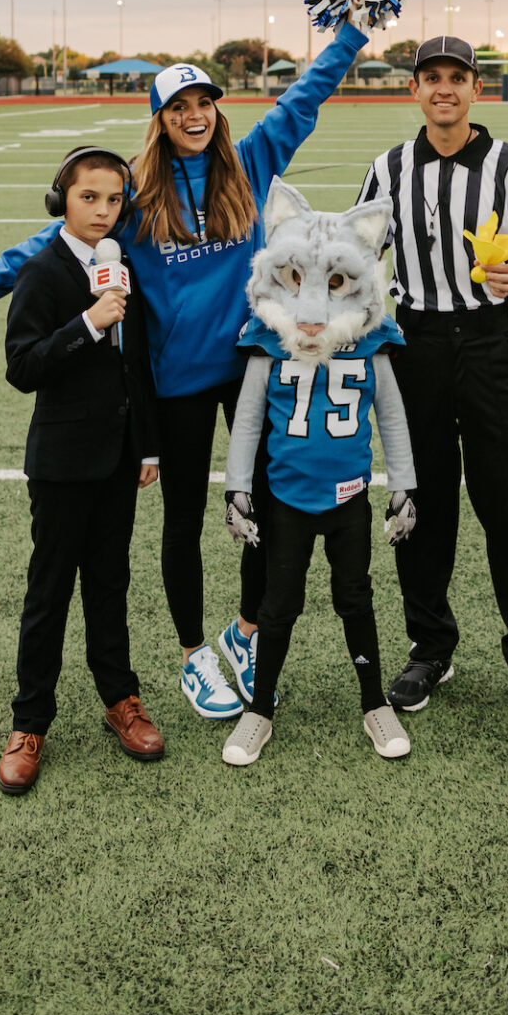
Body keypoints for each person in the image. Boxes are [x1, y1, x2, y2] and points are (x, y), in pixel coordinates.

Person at [0, 18, 369, 720]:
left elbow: (303, 100)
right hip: (175, 382)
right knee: (183, 519)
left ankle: (248, 631)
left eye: (203, 103)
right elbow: (45, 247)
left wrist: (349, 36)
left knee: (265, 502)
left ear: (215, 110)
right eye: (178, 108)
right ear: (160, 120)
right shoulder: (135, 195)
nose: (194, 116)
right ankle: (195, 652)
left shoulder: (252, 163)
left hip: (251, 369)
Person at [356, 36, 508, 734]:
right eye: (430, 78)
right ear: (413, 90)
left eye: (456, 77)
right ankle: (430, 648)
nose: (443, 89)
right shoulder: (388, 169)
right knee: (421, 504)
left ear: (475, 88)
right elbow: (360, 257)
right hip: (415, 346)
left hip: (487, 344)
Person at [219, 180, 416, 767]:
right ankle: (259, 711)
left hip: (349, 500)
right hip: (287, 500)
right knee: (279, 605)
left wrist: (403, 485)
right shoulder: (269, 345)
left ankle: (372, 702)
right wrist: (237, 489)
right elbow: (247, 424)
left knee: (355, 599)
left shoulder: (369, 343)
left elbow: (393, 419)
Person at [0, 147, 163, 795]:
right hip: (63, 463)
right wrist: (88, 324)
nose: (102, 211)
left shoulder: (124, 267)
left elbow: (138, 366)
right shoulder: (43, 273)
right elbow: (22, 367)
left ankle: (120, 699)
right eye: (88, 197)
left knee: (111, 582)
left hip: (120, 459)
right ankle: (29, 721)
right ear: (61, 200)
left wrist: (147, 447)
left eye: (114, 199)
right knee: (49, 593)